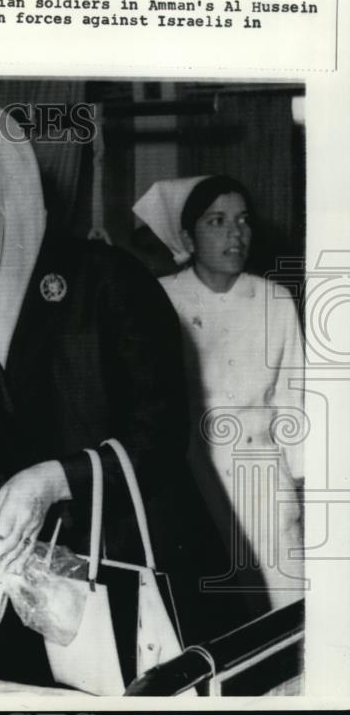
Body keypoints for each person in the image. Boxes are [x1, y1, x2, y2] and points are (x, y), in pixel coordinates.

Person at [0, 100, 255, 685]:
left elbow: (159, 436)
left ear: (7, 183)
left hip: (147, 551)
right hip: (42, 576)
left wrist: (54, 479)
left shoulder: (108, 279)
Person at [134, 175, 305, 612]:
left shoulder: (276, 300)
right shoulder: (159, 299)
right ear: (188, 237)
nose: (236, 233)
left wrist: (303, 484)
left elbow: (293, 400)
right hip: (193, 482)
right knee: (211, 618)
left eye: (243, 220)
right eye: (217, 221)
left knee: (284, 612)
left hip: (265, 483)